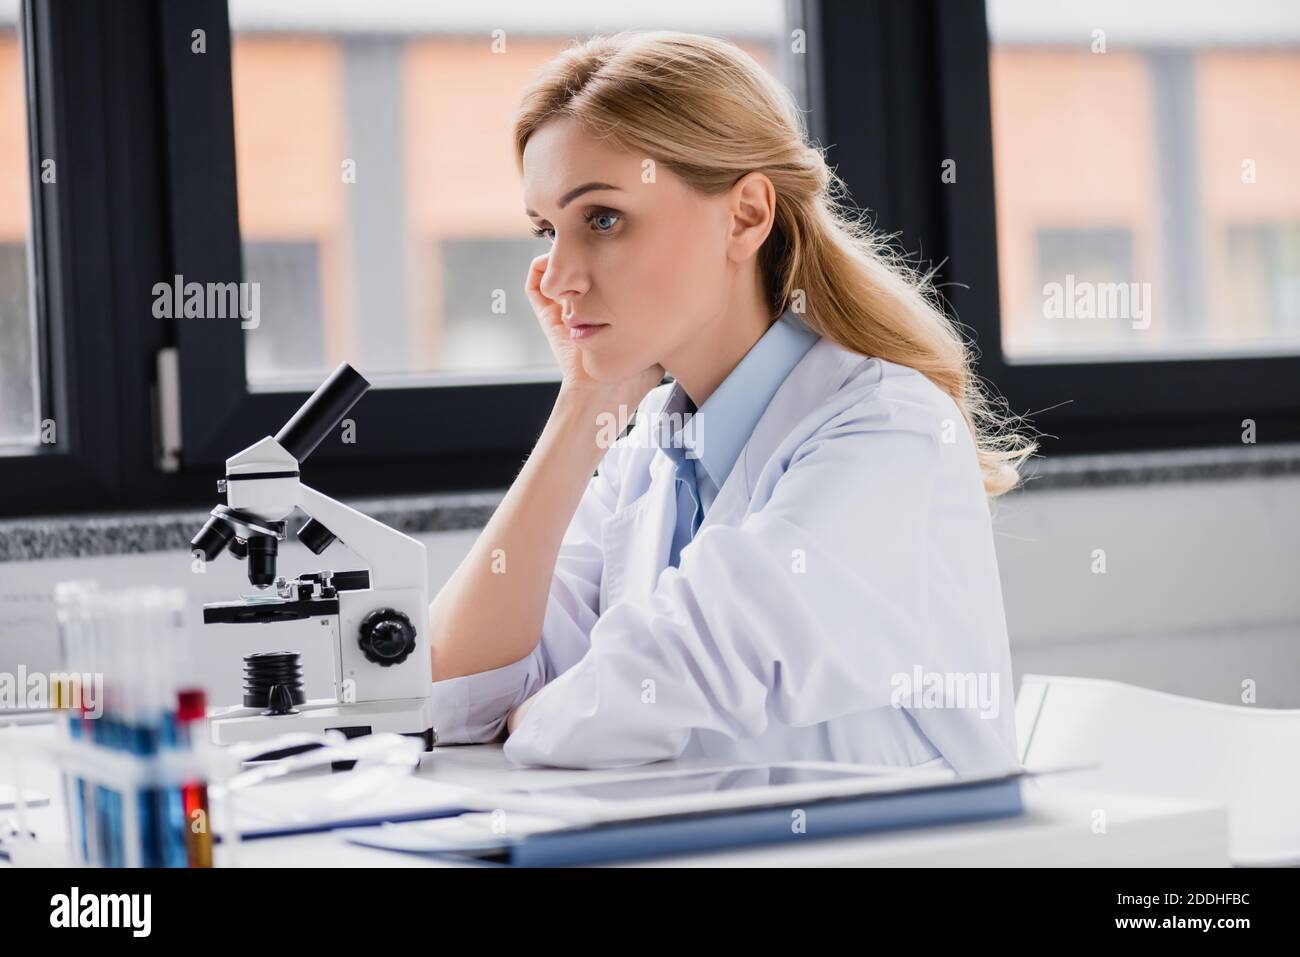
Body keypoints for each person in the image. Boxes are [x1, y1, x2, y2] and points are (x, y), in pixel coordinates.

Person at [426, 30, 1035, 774]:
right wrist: (585, 406)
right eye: (547, 230)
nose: (556, 277)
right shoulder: (652, 446)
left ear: (746, 215)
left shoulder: (887, 429)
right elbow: (458, 686)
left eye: (603, 219)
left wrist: (535, 719)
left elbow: (698, 660)